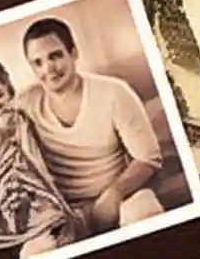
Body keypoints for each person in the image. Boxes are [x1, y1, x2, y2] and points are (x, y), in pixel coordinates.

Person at [13, 17, 164, 255]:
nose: (48, 69)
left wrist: (114, 193)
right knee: (33, 252)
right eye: (38, 63)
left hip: (121, 197)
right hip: (64, 215)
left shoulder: (114, 92)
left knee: (145, 212)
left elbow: (149, 157)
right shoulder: (25, 103)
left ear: (74, 53)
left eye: (55, 56)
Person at [0, 62, 88, 258]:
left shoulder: (23, 119)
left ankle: (45, 235)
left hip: (36, 194)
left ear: (10, 93)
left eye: (0, 94)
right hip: (5, 200)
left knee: (50, 225)